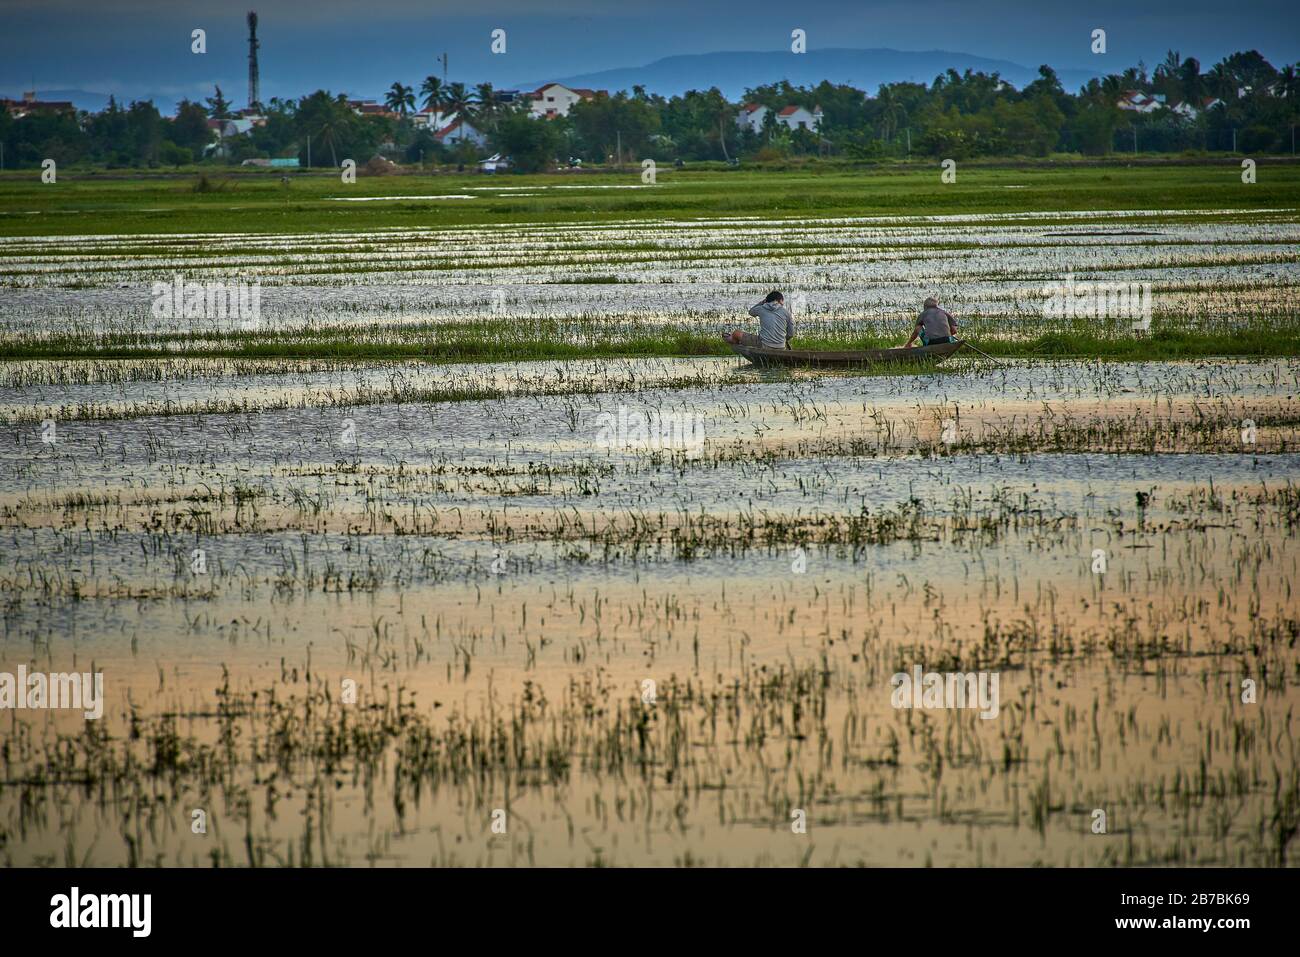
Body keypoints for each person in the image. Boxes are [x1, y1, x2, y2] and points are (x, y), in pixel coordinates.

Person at [727, 291, 794, 349]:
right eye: (783, 301)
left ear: (766, 301)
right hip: (781, 347)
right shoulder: (786, 312)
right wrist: (782, 340)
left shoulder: (761, 308)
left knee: (736, 333)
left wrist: (762, 302)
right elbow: (790, 334)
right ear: (780, 300)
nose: (783, 304)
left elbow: (751, 312)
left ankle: (733, 342)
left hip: (764, 345)